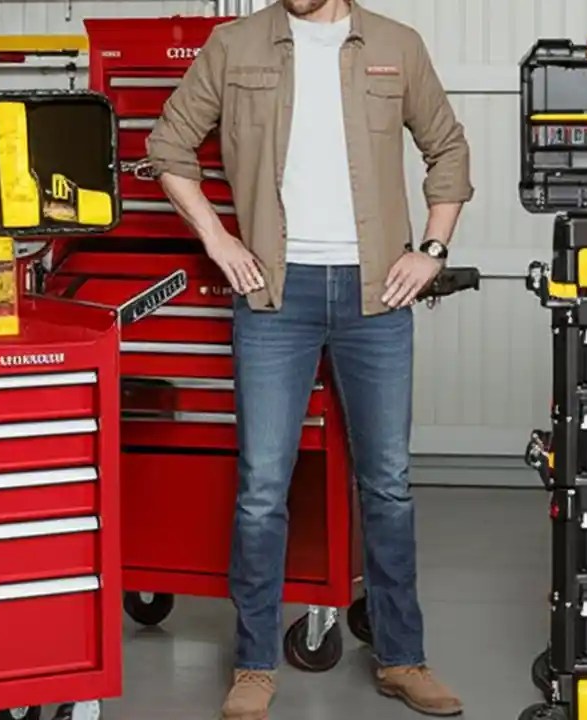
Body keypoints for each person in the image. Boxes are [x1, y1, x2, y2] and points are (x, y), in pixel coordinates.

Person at [147, 0, 473, 717]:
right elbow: (167, 146)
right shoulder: (233, 45)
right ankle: (254, 665)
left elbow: (448, 149)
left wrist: (432, 249)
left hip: (375, 294)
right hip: (274, 293)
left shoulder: (396, 44)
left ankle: (402, 658)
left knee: (387, 483)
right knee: (263, 487)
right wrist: (218, 239)